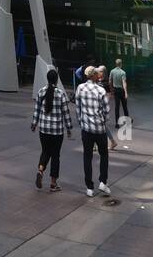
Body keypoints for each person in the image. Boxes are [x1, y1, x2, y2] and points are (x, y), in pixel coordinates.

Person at [31, 68, 72, 191]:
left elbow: (37, 110)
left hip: (43, 129)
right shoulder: (60, 94)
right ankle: (53, 183)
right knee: (55, 155)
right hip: (57, 131)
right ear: (57, 79)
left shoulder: (41, 91)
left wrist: (34, 124)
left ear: (47, 79)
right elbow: (66, 112)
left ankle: (40, 169)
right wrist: (69, 128)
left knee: (45, 151)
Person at [74, 66, 111, 198]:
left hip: (86, 129)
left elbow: (77, 107)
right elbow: (107, 110)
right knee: (104, 155)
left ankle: (89, 187)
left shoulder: (80, 88)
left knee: (87, 157)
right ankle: (103, 181)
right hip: (99, 129)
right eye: (96, 74)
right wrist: (104, 121)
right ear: (94, 75)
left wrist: (81, 121)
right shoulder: (101, 90)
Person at [109, 56, 130, 127]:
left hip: (115, 90)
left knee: (117, 107)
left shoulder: (112, 71)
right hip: (121, 91)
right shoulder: (123, 72)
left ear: (116, 64)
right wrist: (126, 93)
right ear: (121, 64)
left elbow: (110, 82)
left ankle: (117, 124)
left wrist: (111, 91)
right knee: (125, 107)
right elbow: (124, 83)